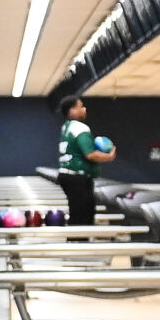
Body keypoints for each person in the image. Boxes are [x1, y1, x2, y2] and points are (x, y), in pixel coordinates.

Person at [54, 94, 114, 225]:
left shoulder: (66, 127)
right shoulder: (80, 127)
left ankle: (77, 235)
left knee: (78, 212)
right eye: (81, 107)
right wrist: (109, 156)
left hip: (67, 175)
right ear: (72, 110)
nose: (84, 109)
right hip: (77, 177)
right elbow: (90, 154)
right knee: (83, 217)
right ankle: (79, 237)